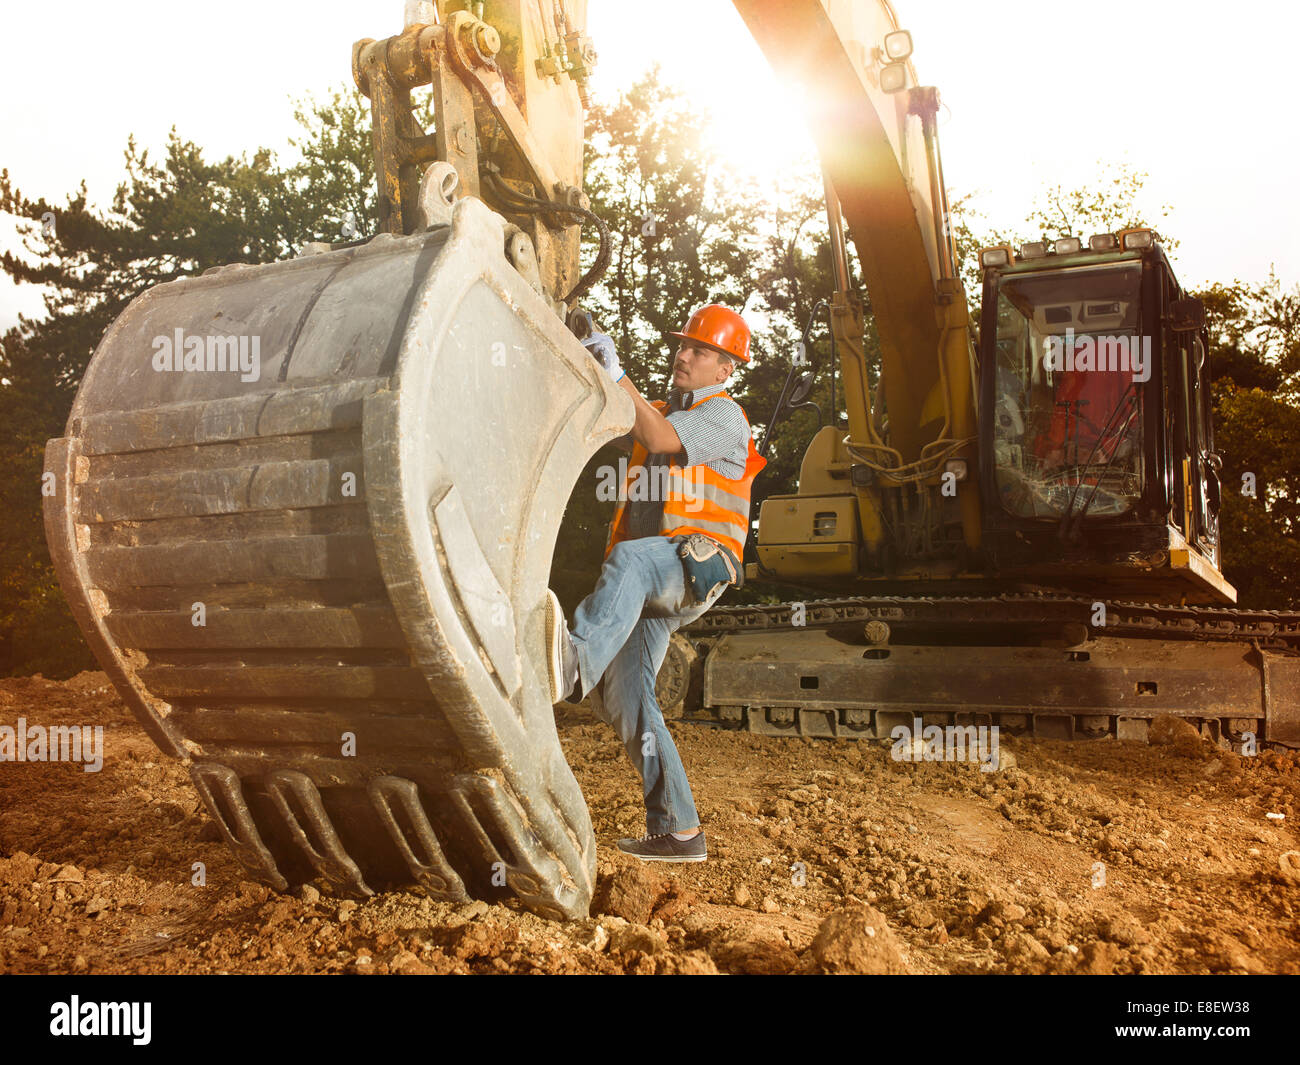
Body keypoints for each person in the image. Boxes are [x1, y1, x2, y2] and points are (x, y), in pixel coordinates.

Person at [545, 304, 766, 862]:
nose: (684, 354)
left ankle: (571, 664)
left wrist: (619, 374)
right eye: (683, 346)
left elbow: (662, 435)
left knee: (635, 563)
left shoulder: (726, 418)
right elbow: (619, 418)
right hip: (652, 580)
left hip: (694, 566)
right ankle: (680, 830)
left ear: (725, 370)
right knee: (628, 698)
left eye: (700, 351)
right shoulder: (662, 412)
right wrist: (586, 362)